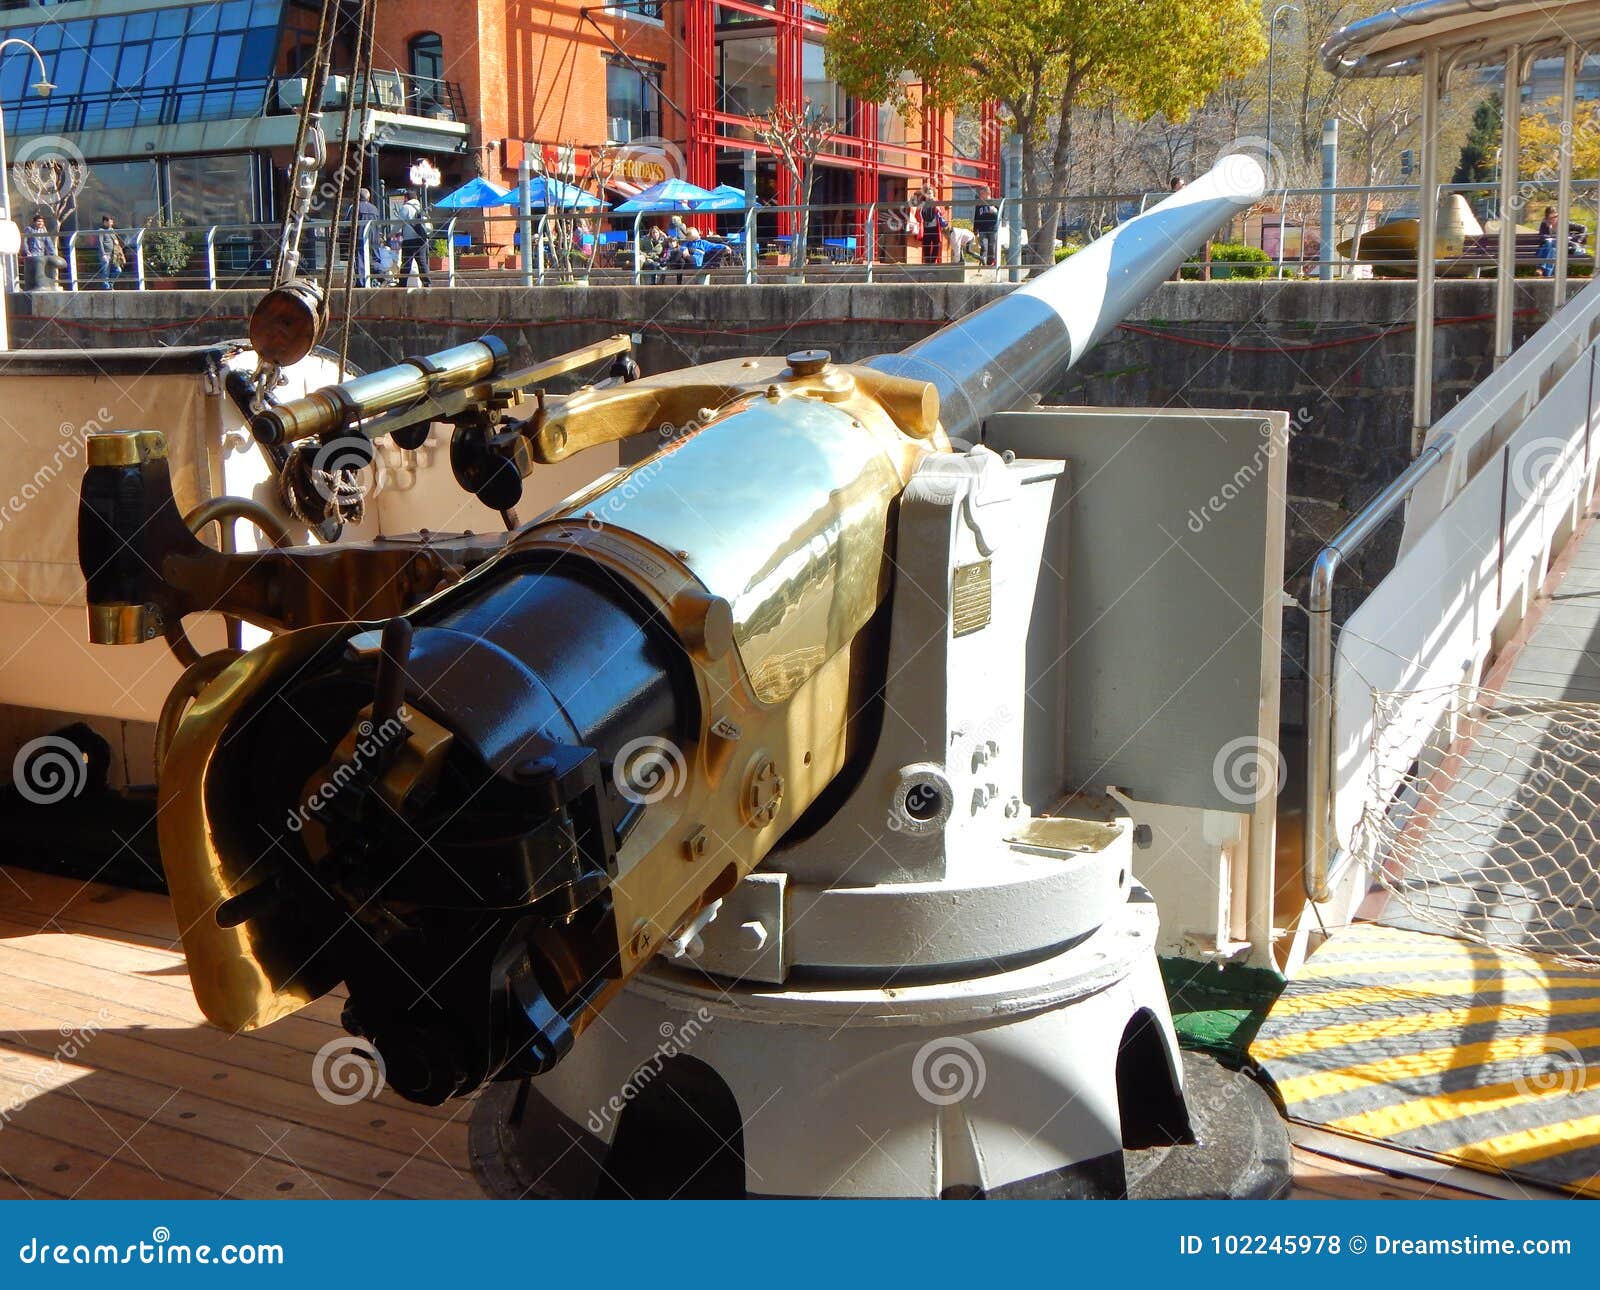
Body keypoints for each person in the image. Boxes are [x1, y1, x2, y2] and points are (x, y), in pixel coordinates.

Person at [395, 187, 431, 287]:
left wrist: (391, 234)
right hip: (422, 239)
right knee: (422, 262)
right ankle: (427, 284)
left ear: (406, 198)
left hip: (409, 240)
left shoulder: (406, 208)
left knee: (406, 263)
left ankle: (402, 284)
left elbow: (398, 224)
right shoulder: (421, 208)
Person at [353, 187, 380, 286]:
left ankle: (362, 283)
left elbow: (346, 223)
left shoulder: (355, 207)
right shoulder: (374, 208)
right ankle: (378, 278)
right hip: (374, 237)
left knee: (360, 260)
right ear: (368, 198)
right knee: (374, 258)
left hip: (360, 237)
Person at [95, 214, 125, 290]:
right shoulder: (101, 231)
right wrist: (103, 254)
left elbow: (116, 241)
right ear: (105, 222)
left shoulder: (111, 230)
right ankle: (106, 287)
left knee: (118, 270)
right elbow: (100, 242)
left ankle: (110, 283)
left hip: (113, 254)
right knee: (105, 271)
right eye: (110, 222)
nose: (112, 223)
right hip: (106, 254)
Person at [916, 186, 945, 264]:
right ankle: (928, 263)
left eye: (930, 193)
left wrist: (939, 209)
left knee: (936, 246)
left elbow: (942, 213)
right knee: (926, 247)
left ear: (933, 194)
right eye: (927, 193)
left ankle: (933, 262)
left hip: (935, 228)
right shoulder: (922, 204)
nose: (929, 195)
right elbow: (917, 215)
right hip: (926, 228)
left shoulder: (937, 202)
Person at [972, 186, 1000, 266]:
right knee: (983, 247)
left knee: (991, 247)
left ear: (988, 193)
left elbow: (1001, 214)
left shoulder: (994, 202)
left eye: (982, 193)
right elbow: (976, 216)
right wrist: (975, 228)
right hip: (982, 229)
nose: (980, 195)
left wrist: (995, 212)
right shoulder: (979, 204)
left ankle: (990, 263)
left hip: (992, 228)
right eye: (980, 194)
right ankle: (983, 262)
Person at [1539, 205, 1559, 278]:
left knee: (1552, 248)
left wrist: (1579, 239)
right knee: (1551, 248)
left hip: (1560, 248)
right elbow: (1542, 237)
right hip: (1545, 248)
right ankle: (1548, 275)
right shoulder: (1544, 224)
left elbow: (1582, 228)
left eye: (1556, 216)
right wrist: (1549, 227)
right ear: (1547, 217)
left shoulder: (1562, 223)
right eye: (1551, 217)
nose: (1554, 219)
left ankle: (1542, 268)